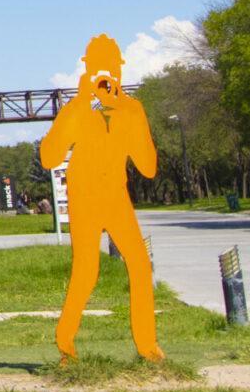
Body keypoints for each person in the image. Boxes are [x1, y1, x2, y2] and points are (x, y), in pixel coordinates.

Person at [39, 34, 164, 362]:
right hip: (84, 197)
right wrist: (77, 108)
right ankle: (66, 345)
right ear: (88, 71)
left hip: (116, 196)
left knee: (139, 266)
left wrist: (132, 115)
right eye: (99, 69)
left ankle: (148, 347)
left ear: (120, 71)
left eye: (111, 69)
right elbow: (49, 157)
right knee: (86, 270)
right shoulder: (78, 109)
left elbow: (148, 167)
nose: (106, 77)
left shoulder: (131, 110)